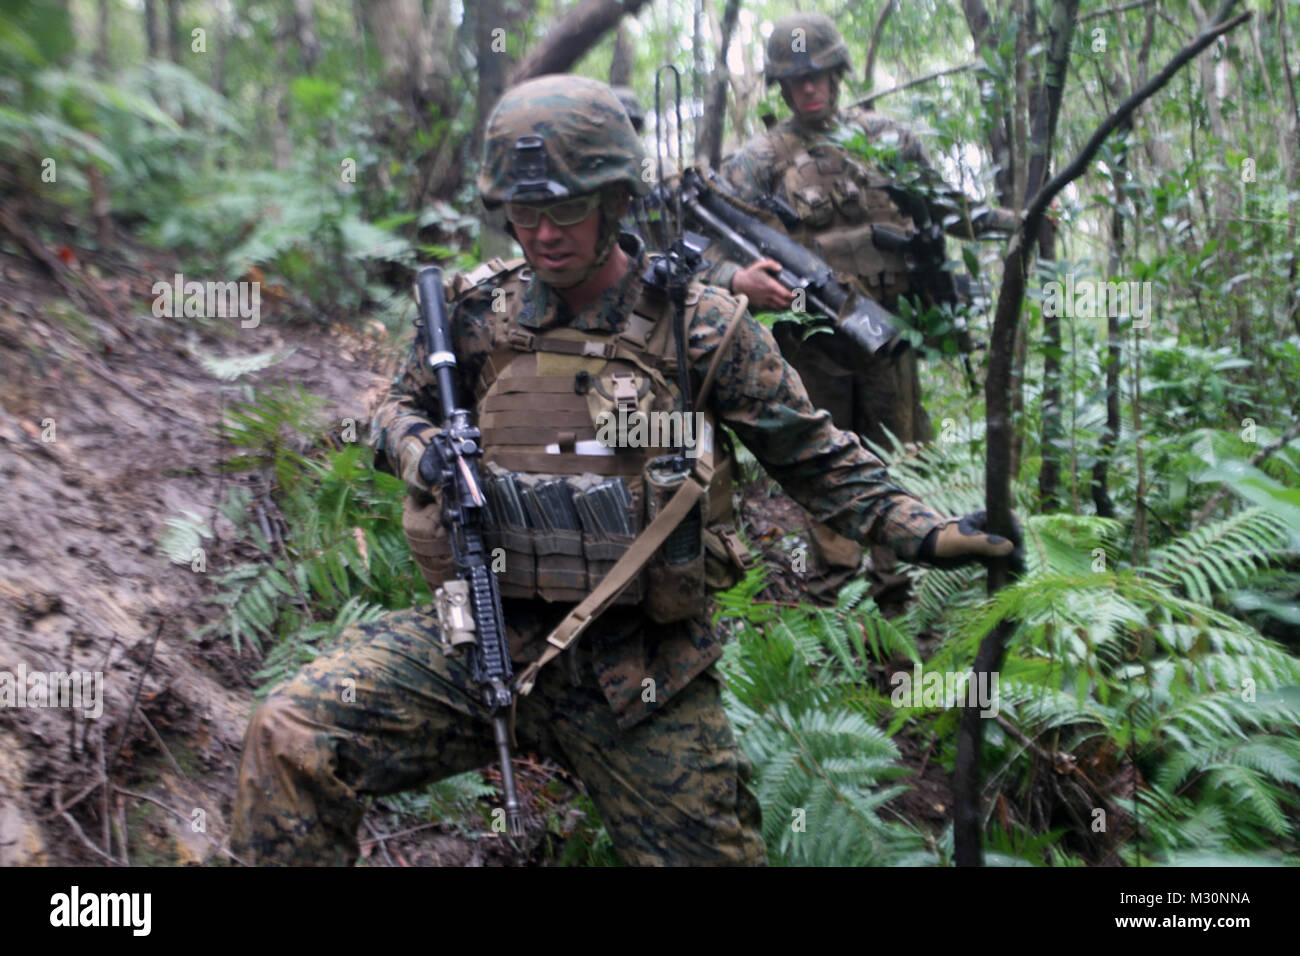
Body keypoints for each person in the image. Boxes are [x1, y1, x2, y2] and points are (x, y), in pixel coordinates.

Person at [229, 75, 1016, 867]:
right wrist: (420, 450)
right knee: (291, 733)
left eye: (566, 209)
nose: (543, 234)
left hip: (639, 676)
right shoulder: (477, 315)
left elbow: (816, 459)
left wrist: (934, 535)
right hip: (480, 641)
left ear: (616, 200)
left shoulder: (701, 328)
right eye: (524, 213)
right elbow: (394, 410)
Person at [704, 12, 1016, 597]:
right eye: (796, 81)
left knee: (901, 454)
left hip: (887, 336)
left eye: (819, 75)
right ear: (780, 87)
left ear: (839, 73)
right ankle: (837, 592)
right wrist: (739, 279)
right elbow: (701, 251)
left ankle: (900, 589)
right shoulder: (757, 161)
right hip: (811, 345)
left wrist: (1017, 221)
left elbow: (947, 210)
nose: (810, 88)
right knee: (825, 461)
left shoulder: (887, 141)